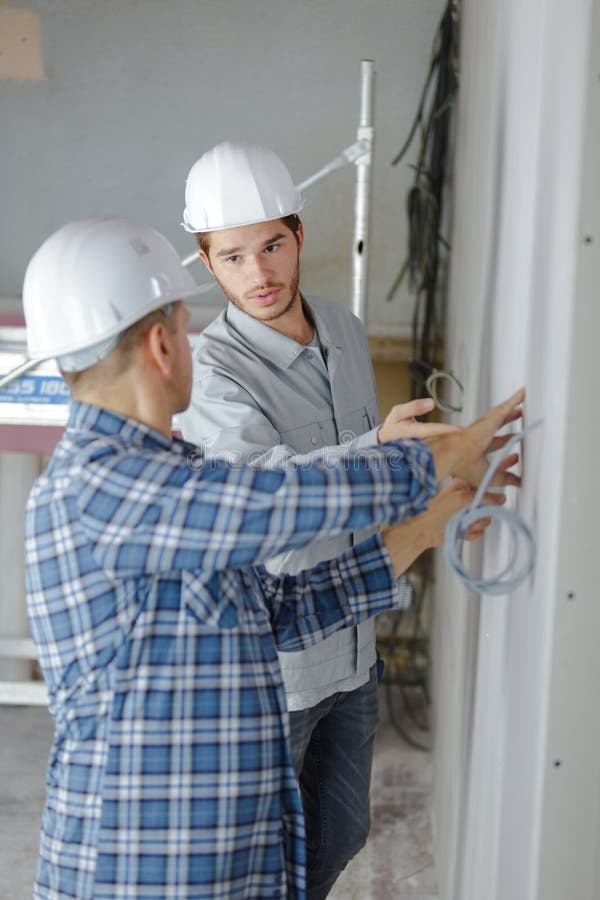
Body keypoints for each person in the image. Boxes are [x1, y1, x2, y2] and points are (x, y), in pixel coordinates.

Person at [23, 215, 521, 900]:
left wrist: (422, 529)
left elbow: (270, 611)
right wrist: (426, 461)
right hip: (144, 871)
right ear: (165, 344)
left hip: (217, 860)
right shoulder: (101, 488)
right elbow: (271, 502)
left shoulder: (160, 480)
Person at [178, 141, 518, 897]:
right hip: (279, 664)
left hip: (354, 643)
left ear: (299, 235)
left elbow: (375, 487)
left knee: (341, 831)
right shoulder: (215, 372)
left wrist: (453, 485)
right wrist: (387, 452)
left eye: (271, 245)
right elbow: (266, 498)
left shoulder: (342, 329)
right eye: (232, 257)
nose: (259, 274)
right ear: (207, 265)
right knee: (258, 862)